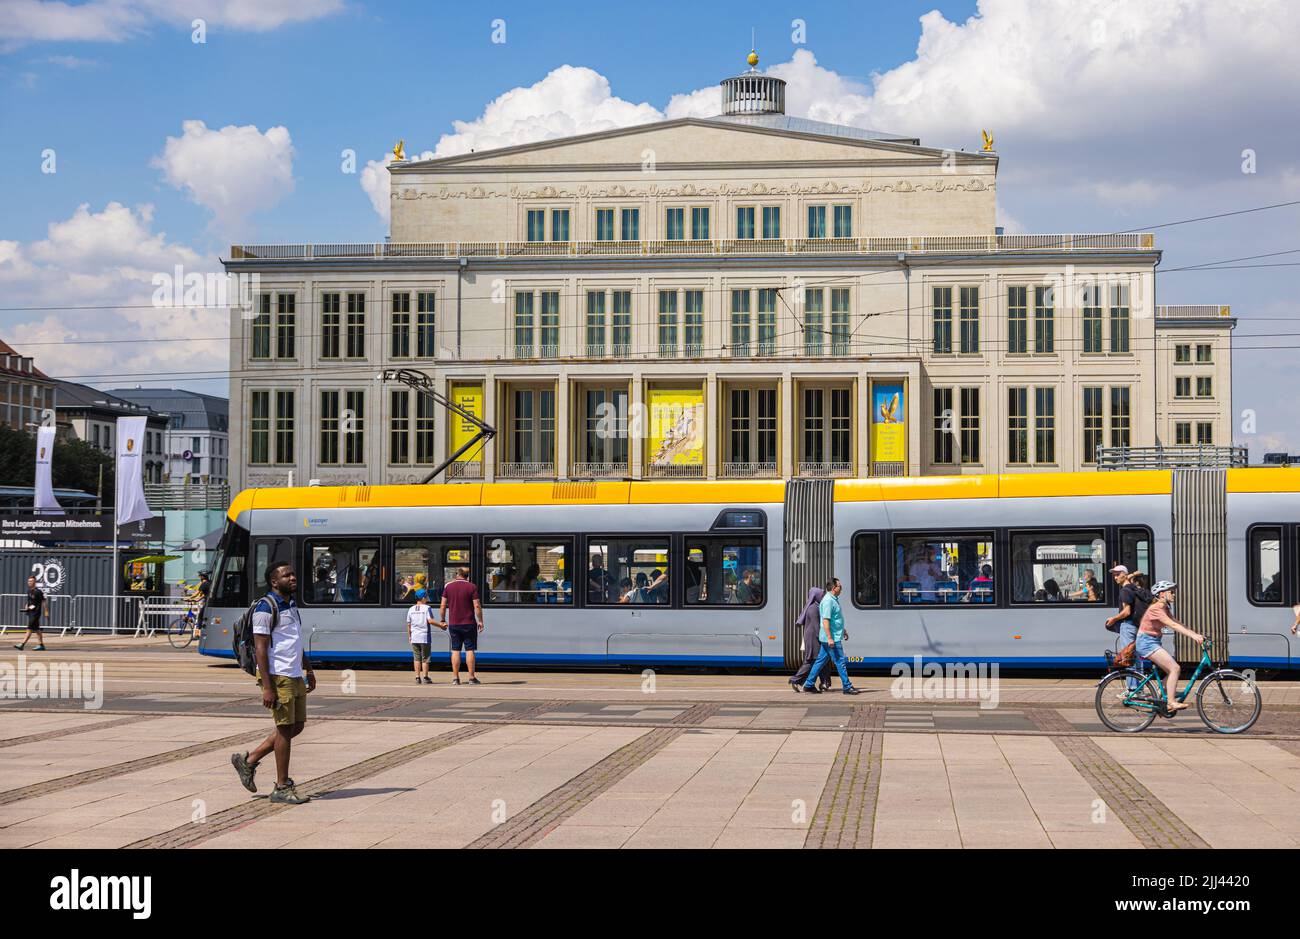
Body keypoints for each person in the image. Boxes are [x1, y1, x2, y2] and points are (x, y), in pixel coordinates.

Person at [230, 561, 315, 805]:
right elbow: (260, 648)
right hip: (278, 676)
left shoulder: (290, 604)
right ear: (273, 582)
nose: (292, 577)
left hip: (294, 673)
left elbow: (294, 641)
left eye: (293, 573)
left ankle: (248, 761)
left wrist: (308, 669)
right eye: (286, 575)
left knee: (295, 727)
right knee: (285, 730)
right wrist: (267, 686)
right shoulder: (265, 609)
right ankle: (281, 786)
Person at [1137, 580, 1204, 713]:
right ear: (1162, 594)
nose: (1174, 594)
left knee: (1171, 669)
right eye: (1171, 592)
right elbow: (1172, 626)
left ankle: (1157, 696)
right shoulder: (1156, 608)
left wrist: (1195, 633)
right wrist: (1193, 637)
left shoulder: (1164, 607)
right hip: (1146, 643)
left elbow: (1175, 622)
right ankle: (1171, 702)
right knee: (1175, 668)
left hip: (1152, 641)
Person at [801, 578, 860, 695]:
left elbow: (834, 619)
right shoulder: (828, 601)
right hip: (832, 638)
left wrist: (843, 630)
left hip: (833, 636)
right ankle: (847, 686)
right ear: (834, 588)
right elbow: (826, 621)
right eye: (840, 586)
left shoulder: (833, 599)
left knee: (820, 661)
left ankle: (808, 684)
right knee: (840, 661)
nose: (841, 588)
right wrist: (829, 638)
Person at [439, 566, 483, 685]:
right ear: (466, 576)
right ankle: (471, 678)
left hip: (454, 623)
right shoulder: (472, 587)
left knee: (455, 650)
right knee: (470, 650)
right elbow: (477, 606)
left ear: (456, 575)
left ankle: (455, 678)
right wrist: (480, 621)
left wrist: (442, 619)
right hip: (469, 623)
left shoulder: (448, 587)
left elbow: (443, 605)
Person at [788, 586, 833, 693]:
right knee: (813, 660)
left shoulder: (817, 607)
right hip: (814, 638)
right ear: (816, 596)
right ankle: (796, 680)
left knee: (823, 660)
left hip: (814, 637)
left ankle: (825, 683)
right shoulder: (813, 608)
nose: (823, 597)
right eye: (821, 595)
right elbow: (817, 627)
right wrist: (825, 638)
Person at [407, 588, 439, 684]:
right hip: (424, 636)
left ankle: (417, 677)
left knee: (416, 657)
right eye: (426, 597)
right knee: (425, 658)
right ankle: (425, 677)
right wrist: (441, 625)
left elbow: (409, 624)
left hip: (414, 636)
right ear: (424, 598)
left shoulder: (411, 609)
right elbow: (430, 621)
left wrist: (410, 636)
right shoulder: (427, 608)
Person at [13, 575, 48, 652]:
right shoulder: (28, 591)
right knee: (37, 629)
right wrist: (26, 606)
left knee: (29, 628)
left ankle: (22, 644)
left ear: (35, 582)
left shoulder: (38, 592)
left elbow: (43, 601)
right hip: (30, 612)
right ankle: (41, 645)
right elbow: (29, 601)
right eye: (29, 581)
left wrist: (46, 611)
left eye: (31, 581)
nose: (29, 582)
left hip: (36, 613)